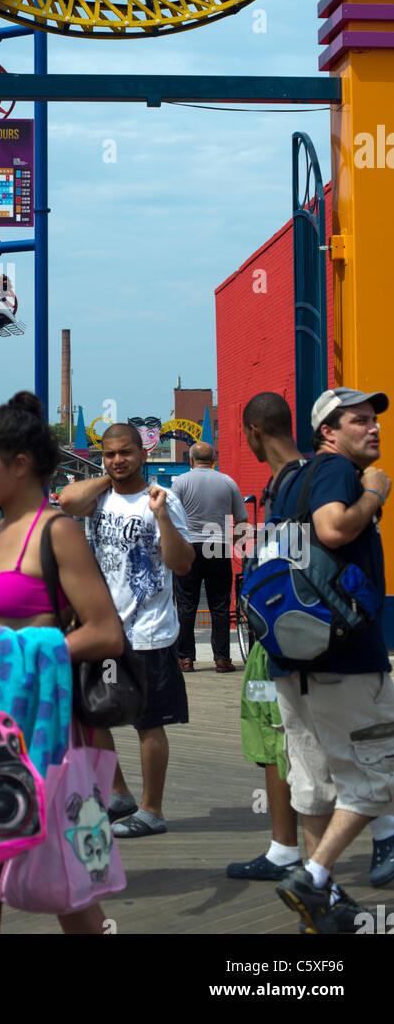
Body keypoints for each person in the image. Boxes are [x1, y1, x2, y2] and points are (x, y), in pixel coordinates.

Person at [0, 392, 125, 934]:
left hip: (39, 736)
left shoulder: (58, 532)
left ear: (20, 464)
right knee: (41, 887)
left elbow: (106, 632)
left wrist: (27, 647)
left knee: (53, 885)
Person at [268, 388, 394, 932]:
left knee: (314, 786)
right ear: (329, 432)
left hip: (293, 657)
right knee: (379, 776)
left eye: (375, 420)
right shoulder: (341, 472)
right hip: (346, 657)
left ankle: (319, 905)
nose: (374, 429)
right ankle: (313, 874)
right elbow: (335, 529)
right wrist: (375, 494)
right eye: (359, 420)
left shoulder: (288, 480)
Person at [60, 423, 194, 838]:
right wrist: (109, 476)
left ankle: (152, 810)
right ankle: (119, 793)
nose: (119, 460)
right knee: (91, 710)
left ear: (144, 454)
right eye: (111, 454)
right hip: (103, 628)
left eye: (126, 454)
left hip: (148, 630)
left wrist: (160, 517)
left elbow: (183, 562)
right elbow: (66, 501)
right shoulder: (99, 495)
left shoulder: (162, 499)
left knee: (148, 723)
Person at [225, 391, 304, 882]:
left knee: (281, 738)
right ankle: (291, 850)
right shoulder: (296, 480)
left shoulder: (292, 483)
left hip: (285, 637)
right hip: (283, 634)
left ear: (253, 433)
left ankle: (288, 851)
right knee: (284, 738)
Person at [170, 442, 250, 672]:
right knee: (220, 605)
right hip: (219, 546)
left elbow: (170, 516)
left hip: (189, 547)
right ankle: (222, 659)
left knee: (185, 604)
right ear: (213, 460)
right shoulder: (227, 482)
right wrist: (233, 541)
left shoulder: (181, 482)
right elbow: (242, 520)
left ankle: (185, 659)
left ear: (191, 460)